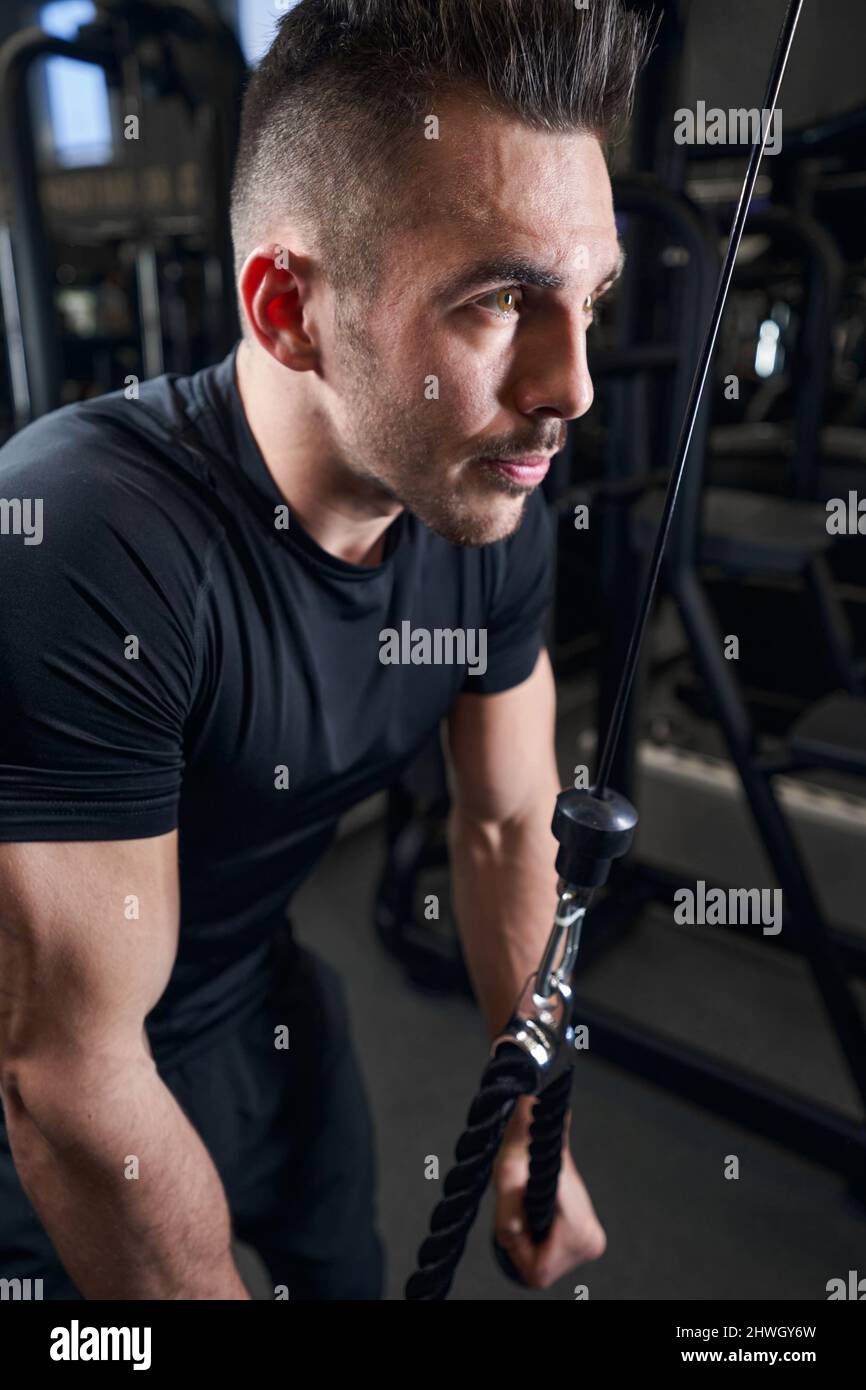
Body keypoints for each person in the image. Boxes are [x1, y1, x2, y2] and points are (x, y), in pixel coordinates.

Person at [0, 0, 649, 1300]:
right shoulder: (82, 536)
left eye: (587, 299)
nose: (569, 384)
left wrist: (531, 1111)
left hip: (257, 1012)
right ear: (288, 308)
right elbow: (69, 1072)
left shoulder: (484, 500)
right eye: (499, 299)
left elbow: (509, 826)